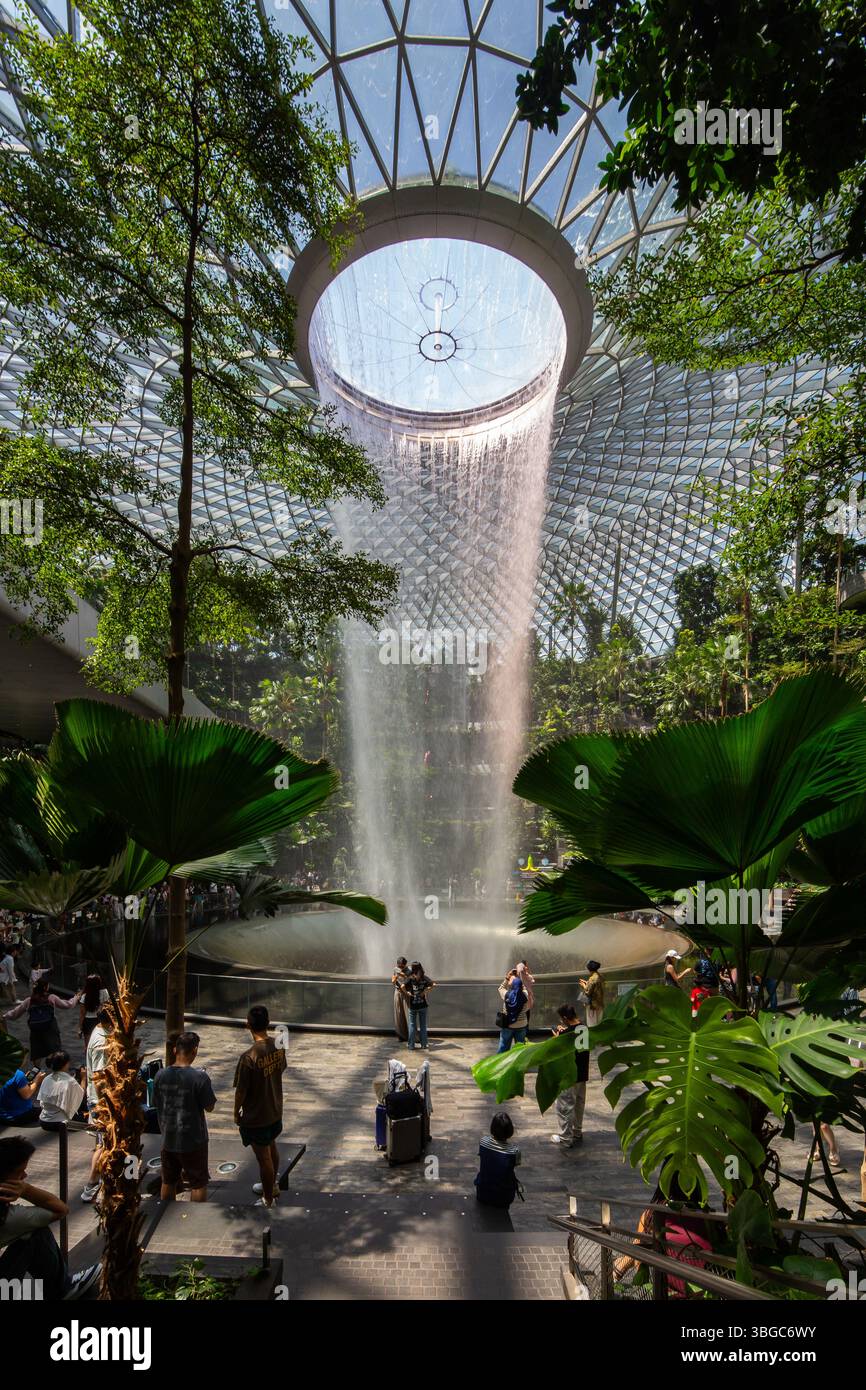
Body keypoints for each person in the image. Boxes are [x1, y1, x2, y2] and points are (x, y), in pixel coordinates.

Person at [0, 1135, 100, 1299]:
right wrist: (25, 1190)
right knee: (35, 1235)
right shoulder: (9, 1218)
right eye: (19, 1173)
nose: (24, 1176)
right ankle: (62, 1290)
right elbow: (60, 1210)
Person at [153, 1031, 216, 1203]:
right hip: (194, 1141)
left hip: (168, 1139)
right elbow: (210, 1107)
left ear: (175, 1050)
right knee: (198, 1183)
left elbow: (156, 1103)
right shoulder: (200, 1077)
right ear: (194, 1051)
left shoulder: (160, 1075)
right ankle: (195, 1216)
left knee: (168, 1181)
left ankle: (165, 1211)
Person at [233, 1005, 287, 1208]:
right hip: (274, 1110)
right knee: (271, 1145)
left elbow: (241, 1091)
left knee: (264, 1158)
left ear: (248, 1025)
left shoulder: (249, 1057)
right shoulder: (279, 1046)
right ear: (268, 1023)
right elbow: (280, 1069)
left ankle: (268, 1200)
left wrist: (236, 1112)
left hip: (257, 1116)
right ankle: (272, 1186)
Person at [3, 978, 82, 1063]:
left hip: (35, 1029)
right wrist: (76, 998)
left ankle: (37, 1069)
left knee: (37, 1053)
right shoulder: (51, 998)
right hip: (50, 1028)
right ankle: (54, 1067)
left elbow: (15, 1013)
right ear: (45, 987)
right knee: (55, 1050)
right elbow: (68, 1005)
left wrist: (4, 1016)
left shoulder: (29, 1000)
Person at [80, 1006, 113, 1203]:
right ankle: (92, 1183)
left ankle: (99, 1181)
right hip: (101, 1102)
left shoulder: (99, 1029)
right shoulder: (102, 1041)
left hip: (97, 1100)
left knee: (101, 1143)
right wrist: (106, 1105)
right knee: (104, 1144)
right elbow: (100, 1078)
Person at [550, 1003, 589, 1147]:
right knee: (579, 1104)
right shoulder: (584, 1028)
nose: (561, 1021)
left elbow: (559, 1051)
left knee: (565, 1106)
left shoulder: (566, 1034)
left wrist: (557, 1037)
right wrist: (564, 1032)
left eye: (562, 1019)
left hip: (569, 1075)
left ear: (565, 1018)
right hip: (582, 1074)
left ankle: (566, 1138)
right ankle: (577, 1132)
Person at [474, 1111, 522, 1209]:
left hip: (482, 1193)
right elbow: (516, 1164)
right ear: (510, 1130)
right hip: (503, 1197)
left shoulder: (483, 1142)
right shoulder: (514, 1151)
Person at [38, 1051, 85, 1131]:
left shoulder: (47, 1078)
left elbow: (42, 1103)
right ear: (66, 1064)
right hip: (61, 1123)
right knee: (87, 1116)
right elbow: (81, 1095)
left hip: (44, 1121)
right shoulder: (70, 1081)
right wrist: (83, 1078)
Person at [402, 961, 436, 1051]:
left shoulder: (410, 978)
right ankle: (424, 1045)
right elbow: (434, 984)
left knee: (412, 1025)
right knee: (423, 1025)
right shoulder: (424, 977)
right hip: (423, 1005)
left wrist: (407, 993)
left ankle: (411, 1045)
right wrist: (425, 991)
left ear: (412, 968)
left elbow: (402, 986)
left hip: (413, 1005)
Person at [497, 969, 529, 1052]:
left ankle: (502, 1060)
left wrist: (507, 978)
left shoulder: (506, 995)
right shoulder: (525, 995)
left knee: (503, 1048)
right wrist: (519, 978)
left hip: (508, 1025)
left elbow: (501, 988)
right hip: (522, 1025)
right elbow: (523, 988)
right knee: (520, 1049)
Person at [79, 974, 110, 1045]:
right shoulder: (105, 993)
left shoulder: (84, 996)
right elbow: (108, 1007)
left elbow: (82, 1014)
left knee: (88, 1045)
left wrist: (80, 1028)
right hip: (102, 1020)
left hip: (88, 1022)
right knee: (102, 1043)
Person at [579, 959, 605, 1026]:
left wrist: (583, 985)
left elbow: (588, 992)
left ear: (589, 969)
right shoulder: (601, 976)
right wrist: (587, 983)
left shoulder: (592, 978)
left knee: (592, 1024)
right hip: (600, 1003)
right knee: (598, 1022)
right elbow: (596, 987)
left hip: (592, 1005)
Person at [391, 957, 409, 1042]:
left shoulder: (409, 970)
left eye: (402, 966)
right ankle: (401, 1035)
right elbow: (393, 980)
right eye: (399, 965)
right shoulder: (395, 969)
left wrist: (402, 974)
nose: (400, 967)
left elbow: (409, 978)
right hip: (397, 992)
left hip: (406, 993)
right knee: (398, 1013)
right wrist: (394, 979)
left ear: (405, 964)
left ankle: (411, 1035)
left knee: (408, 1014)